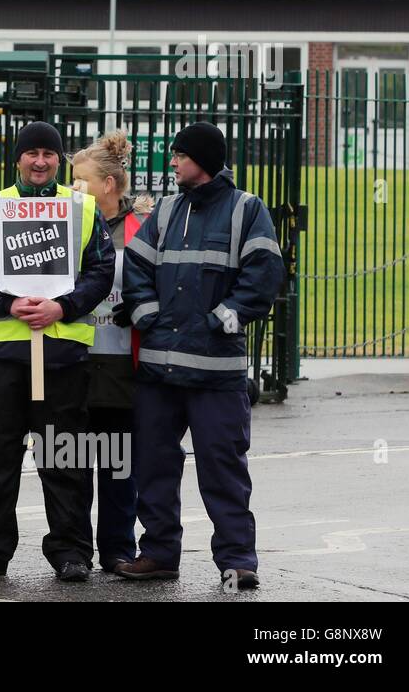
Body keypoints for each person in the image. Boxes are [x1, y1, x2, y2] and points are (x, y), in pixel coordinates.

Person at [119, 122, 284, 589]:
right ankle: (158, 553)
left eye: (179, 155)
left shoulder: (247, 210)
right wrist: (147, 313)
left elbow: (263, 277)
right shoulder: (168, 210)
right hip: (159, 369)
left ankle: (237, 560)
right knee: (153, 464)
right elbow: (136, 266)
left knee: (223, 467)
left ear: (204, 160)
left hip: (216, 375)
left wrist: (218, 321)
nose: (171, 163)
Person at [0, 121, 115, 581]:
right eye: (32, 153)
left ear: (59, 160)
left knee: (65, 459)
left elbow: (101, 271)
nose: (39, 161)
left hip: (62, 355)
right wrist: (9, 303)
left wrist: (62, 306)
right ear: (17, 159)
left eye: (48, 153)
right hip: (4, 355)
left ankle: (71, 552)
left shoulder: (81, 208)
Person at [70, 131, 152, 574]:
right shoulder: (66, 223)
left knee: (120, 466)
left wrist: (139, 308)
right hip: (77, 359)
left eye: (80, 180)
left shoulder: (143, 226)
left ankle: (118, 548)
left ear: (109, 184)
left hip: (123, 363)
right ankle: (76, 549)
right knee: (75, 463)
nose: (73, 187)